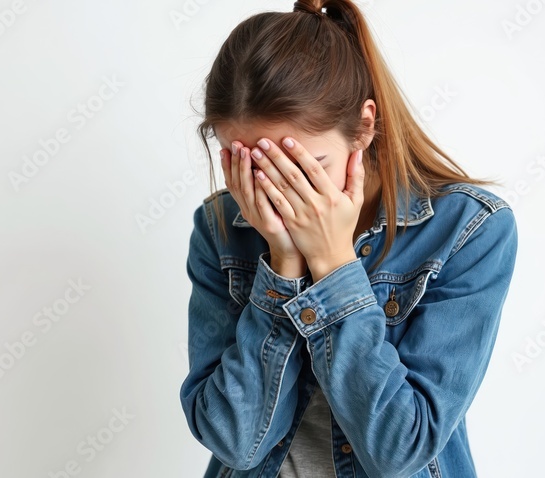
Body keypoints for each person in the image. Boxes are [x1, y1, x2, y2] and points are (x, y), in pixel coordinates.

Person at [177, 1, 519, 477]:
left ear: (363, 127)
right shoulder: (219, 229)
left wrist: (334, 265)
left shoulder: (467, 231)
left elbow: (400, 449)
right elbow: (237, 442)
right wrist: (282, 264)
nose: (279, 195)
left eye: (304, 170)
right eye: (255, 171)